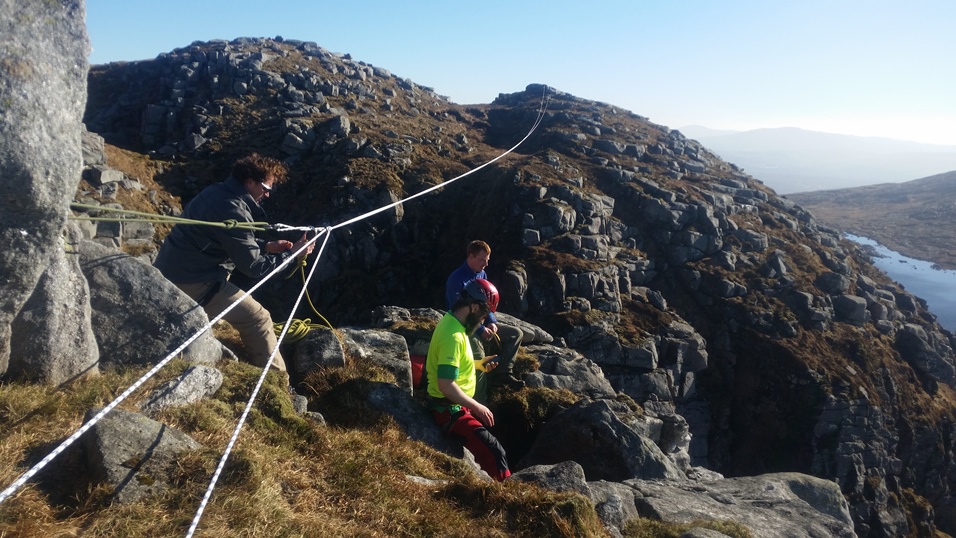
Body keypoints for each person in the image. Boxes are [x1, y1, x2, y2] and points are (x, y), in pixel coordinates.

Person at [154, 153, 314, 374]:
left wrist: (266, 245)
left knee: (236, 297)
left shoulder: (215, 191)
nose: (267, 195)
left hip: (172, 267)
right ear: (249, 182)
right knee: (258, 319)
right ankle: (276, 381)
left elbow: (224, 237)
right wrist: (294, 254)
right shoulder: (235, 209)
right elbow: (254, 267)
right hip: (192, 280)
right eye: (266, 188)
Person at [426, 278, 511, 481]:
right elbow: (446, 385)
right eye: (484, 314)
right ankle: (506, 494)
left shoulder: (453, 322)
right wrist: (478, 407)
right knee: (495, 452)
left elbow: (452, 366)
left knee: (490, 446)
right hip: (448, 410)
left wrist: (479, 364)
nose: (484, 320)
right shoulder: (453, 336)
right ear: (473, 307)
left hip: (455, 405)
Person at [445, 240, 525, 392]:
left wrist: (491, 321)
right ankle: (479, 394)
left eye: (487, 260)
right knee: (479, 356)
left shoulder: (482, 274)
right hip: (466, 327)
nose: (485, 264)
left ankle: (504, 373)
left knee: (516, 334)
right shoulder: (456, 279)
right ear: (471, 257)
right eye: (482, 260)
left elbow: (487, 303)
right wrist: (480, 329)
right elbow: (457, 311)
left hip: (482, 322)